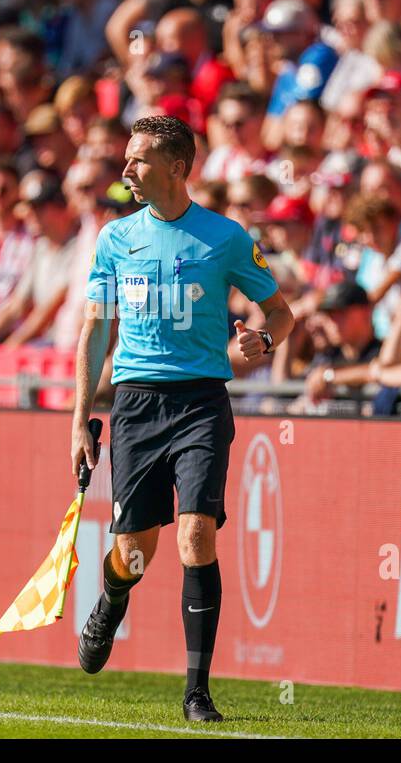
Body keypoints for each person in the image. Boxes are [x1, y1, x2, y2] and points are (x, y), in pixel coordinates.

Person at [70, 115, 294, 723]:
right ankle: (112, 597)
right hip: (136, 404)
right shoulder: (116, 239)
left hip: (200, 402)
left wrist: (262, 343)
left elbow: (279, 311)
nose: (126, 171)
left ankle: (197, 692)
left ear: (176, 165)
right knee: (135, 552)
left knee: (196, 535)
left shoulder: (223, 238)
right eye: (125, 159)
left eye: (137, 160)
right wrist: (80, 418)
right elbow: (95, 331)